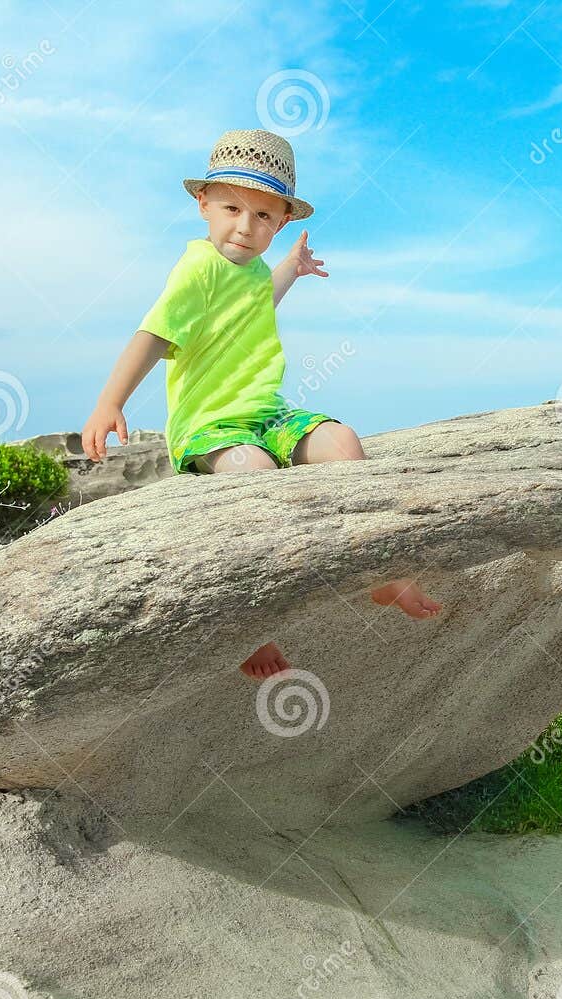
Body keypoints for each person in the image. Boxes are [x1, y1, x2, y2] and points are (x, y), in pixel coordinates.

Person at [81, 129, 440, 680]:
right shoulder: (196, 268)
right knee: (255, 475)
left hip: (266, 414)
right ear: (203, 204)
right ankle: (246, 625)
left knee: (342, 441)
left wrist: (290, 271)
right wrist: (110, 401)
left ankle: (379, 572)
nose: (246, 228)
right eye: (232, 208)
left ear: (283, 222)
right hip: (212, 426)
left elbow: (253, 307)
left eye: (264, 217)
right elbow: (153, 334)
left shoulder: (248, 271)